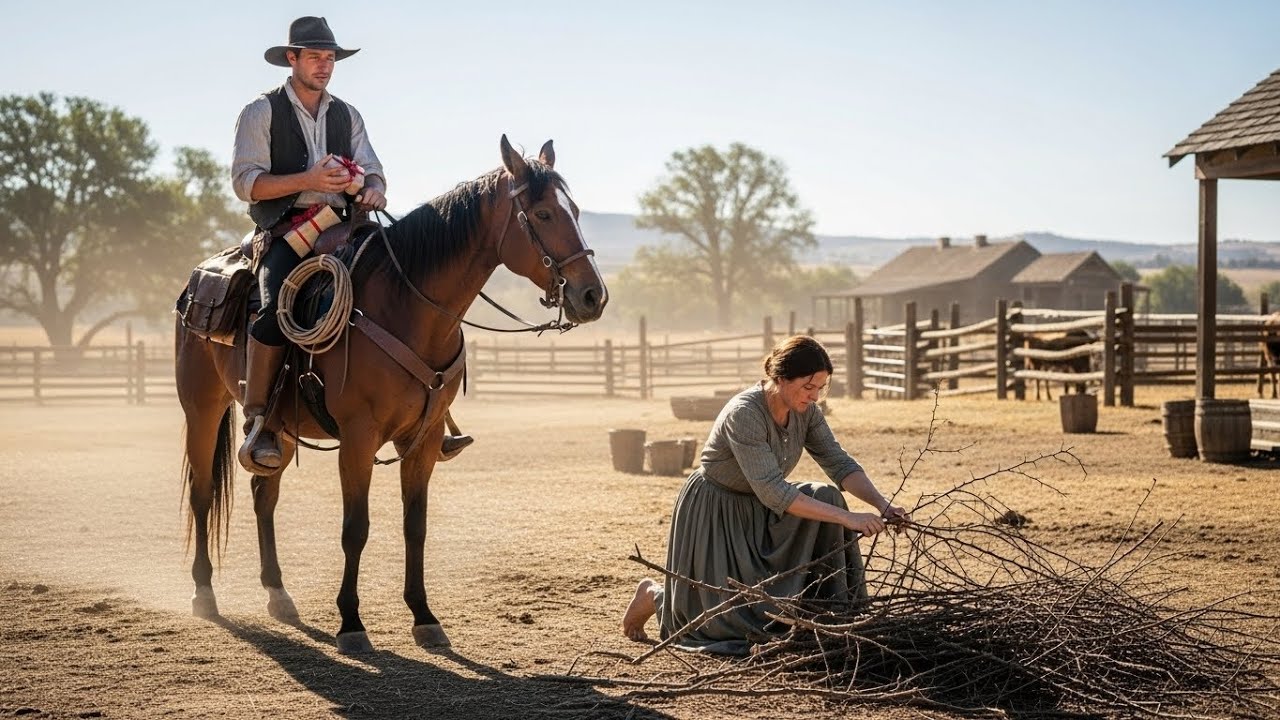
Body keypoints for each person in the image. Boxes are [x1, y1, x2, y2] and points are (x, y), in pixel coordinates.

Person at [232, 16, 469, 473]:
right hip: (287, 232)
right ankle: (259, 418)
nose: (324, 66)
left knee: (404, 292)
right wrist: (309, 180)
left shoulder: (347, 114)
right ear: (292, 59)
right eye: (315, 57)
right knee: (272, 311)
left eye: (330, 58)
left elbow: (373, 169)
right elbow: (246, 184)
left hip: (346, 226)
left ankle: (430, 413)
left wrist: (375, 188)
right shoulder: (260, 112)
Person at [622, 335, 909, 654]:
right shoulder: (745, 413)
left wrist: (882, 505)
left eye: (820, 388)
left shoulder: (807, 412)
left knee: (827, 494)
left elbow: (837, 462)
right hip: (719, 509)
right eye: (807, 386)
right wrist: (848, 518)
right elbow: (774, 491)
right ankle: (655, 595)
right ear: (782, 378)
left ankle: (829, 616)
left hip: (761, 505)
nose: (814, 396)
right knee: (723, 625)